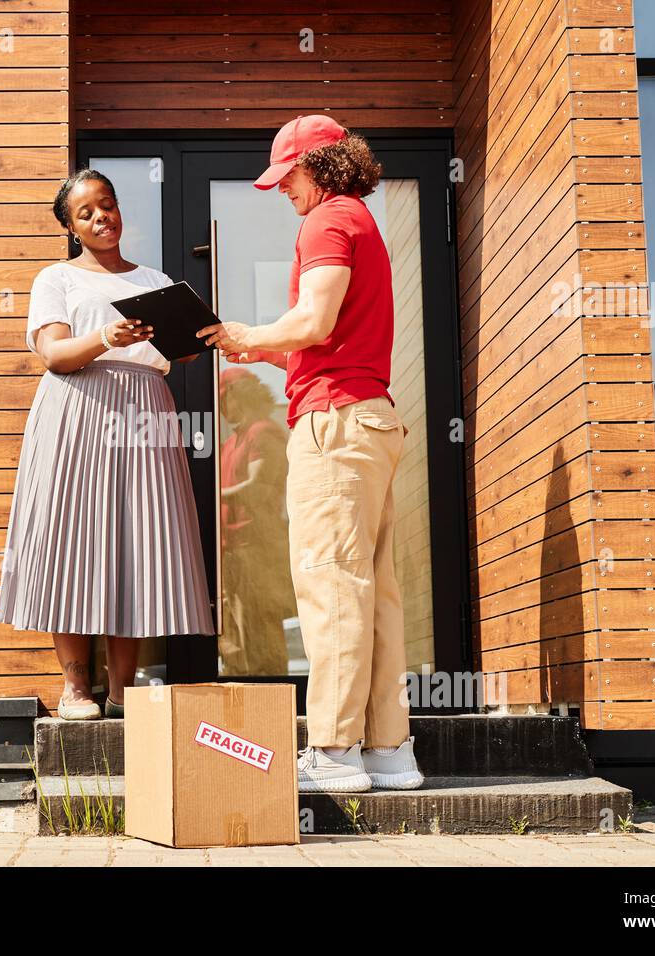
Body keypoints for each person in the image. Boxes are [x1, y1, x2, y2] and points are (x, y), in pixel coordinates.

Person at [198, 115, 425, 792]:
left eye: (286, 177)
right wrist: (260, 348)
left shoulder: (327, 221)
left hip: (334, 425)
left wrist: (251, 328)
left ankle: (331, 751)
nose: (280, 192)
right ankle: (389, 751)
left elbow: (315, 321)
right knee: (374, 593)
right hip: (370, 419)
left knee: (330, 589)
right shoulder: (361, 220)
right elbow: (329, 337)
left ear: (318, 167)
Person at [0, 169, 214, 721]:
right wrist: (104, 337)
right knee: (73, 544)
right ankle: (75, 688)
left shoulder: (153, 279)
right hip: (78, 411)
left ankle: (123, 690)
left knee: (133, 546)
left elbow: (181, 354)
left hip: (145, 414)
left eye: (108, 205)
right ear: (71, 227)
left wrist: (190, 333)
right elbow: (54, 355)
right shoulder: (57, 278)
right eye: (86, 213)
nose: (101, 218)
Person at [218, 367, 293, 676]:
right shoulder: (231, 441)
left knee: (260, 637)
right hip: (231, 549)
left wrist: (213, 496)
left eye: (224, 398)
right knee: (233, 639)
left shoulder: (263, 431)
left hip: (257, 548)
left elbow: (258, 489)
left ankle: (270, 708)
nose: (222, 408)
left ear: (239, 394)